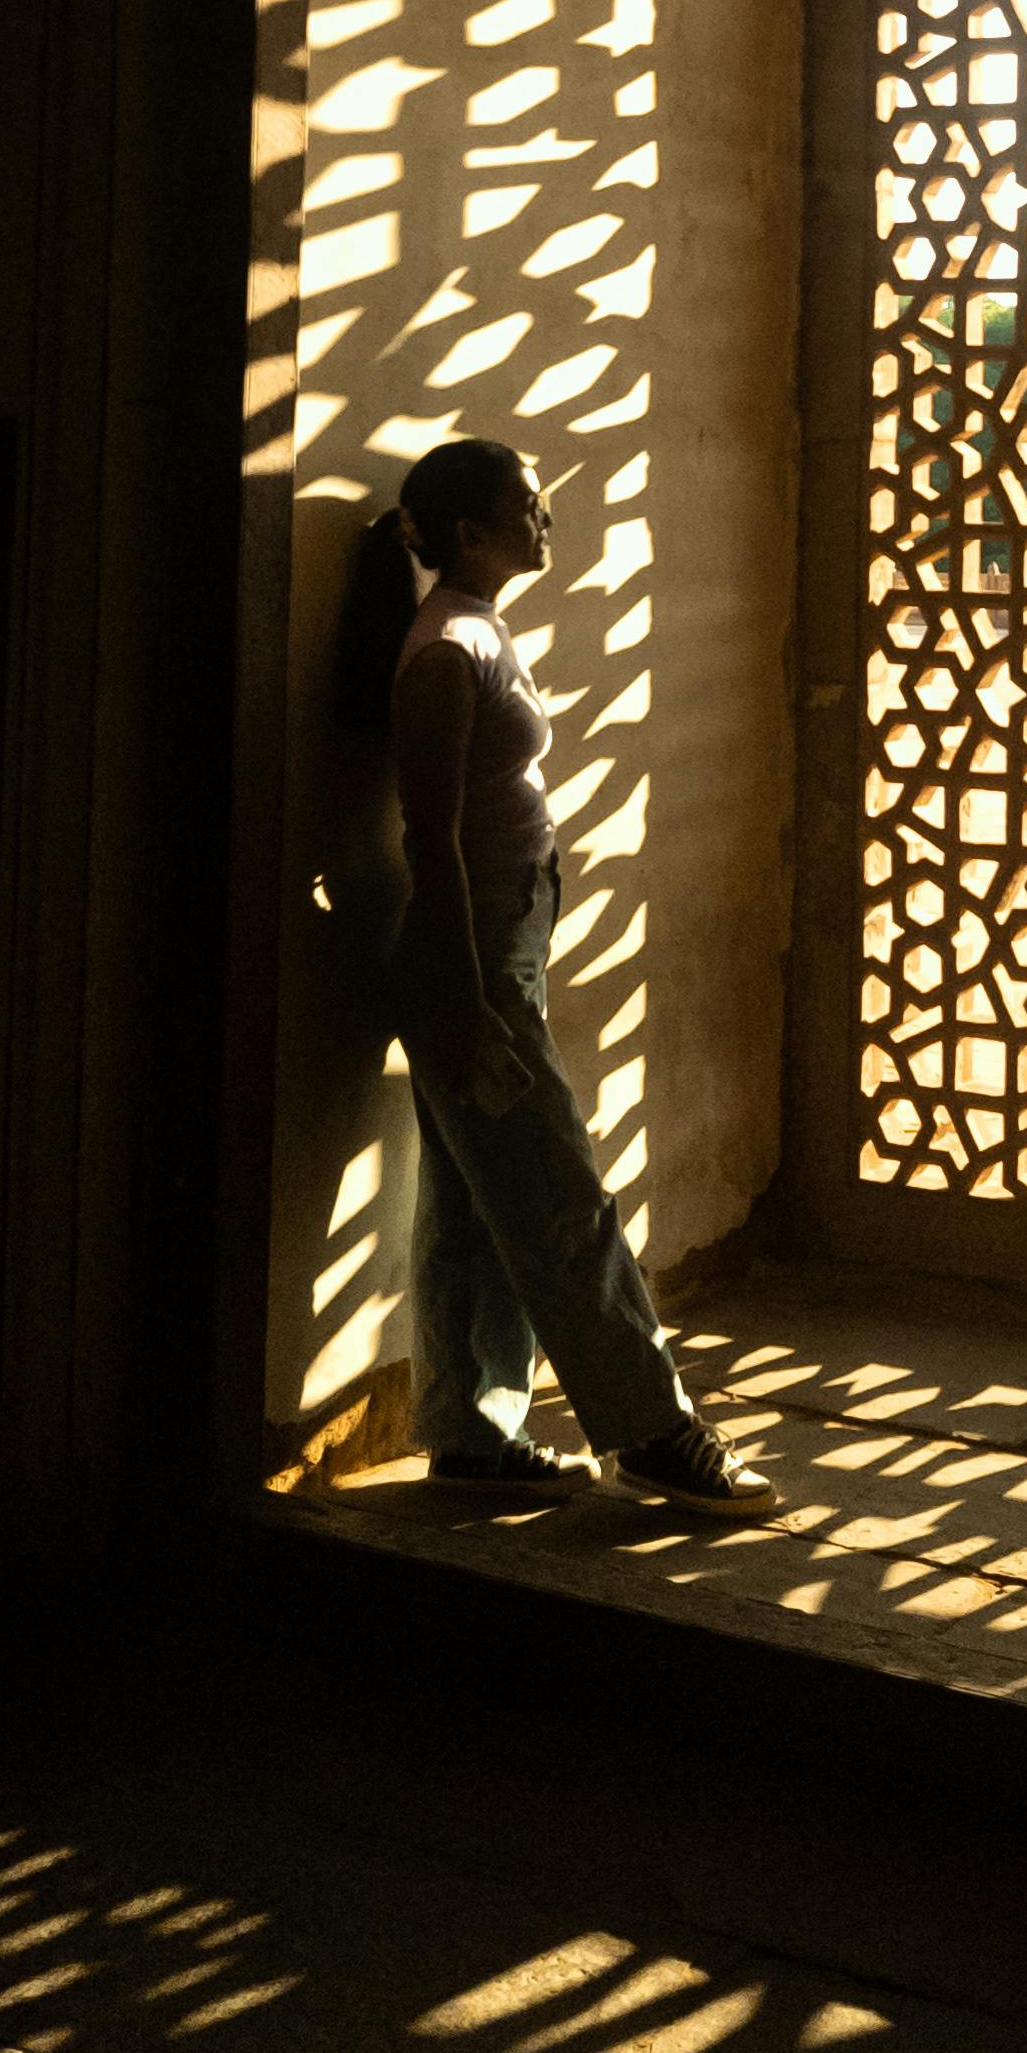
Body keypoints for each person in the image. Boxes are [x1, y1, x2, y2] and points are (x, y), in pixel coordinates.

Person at [344, 433, 775, 1514]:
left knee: (477, 1202)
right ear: (474, 532)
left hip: (499, 940)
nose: (548, 522)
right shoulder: (446, 649)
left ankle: (475, 1438)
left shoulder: (475, 629)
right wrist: (466, 997)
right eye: (528, 507)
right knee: (555, 1195)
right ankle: (650, 1429)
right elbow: (428, 836)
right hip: (473, 952)